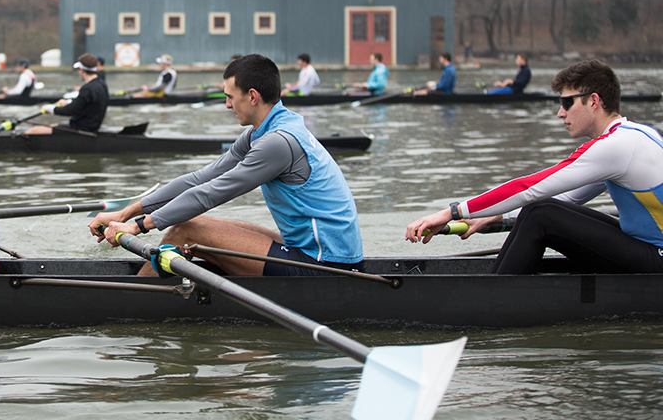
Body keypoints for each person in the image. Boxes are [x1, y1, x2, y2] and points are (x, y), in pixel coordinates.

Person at [90, 54, 363, 277]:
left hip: (329, 266)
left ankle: (138, 305)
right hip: (308, 249)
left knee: (186, 230)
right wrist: (125, 213)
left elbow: (210, 194)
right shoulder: (264, 130)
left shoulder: (277, 143)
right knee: (188, 221)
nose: (227, 105)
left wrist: (137, 227)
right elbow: (199, 180)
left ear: (252, 96)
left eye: (230, 97)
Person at [406, 60, 663, 275]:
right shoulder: (636, 135)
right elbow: (567, 198)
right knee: (539, 209)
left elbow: (529, 188)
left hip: (656, 257)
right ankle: (499, 284)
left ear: (593, 101)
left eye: (567, 103)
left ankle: (494, 300)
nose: (560, 113)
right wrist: (494, 218)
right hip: (647, 248)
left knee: (540, 214)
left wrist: (451, 212)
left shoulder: (615, 146)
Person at [27, 53, 107, 134]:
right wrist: (68, 102)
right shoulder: (101, 85)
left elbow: (71, 110)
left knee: (33, 131)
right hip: (89, 128)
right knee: (51, 126)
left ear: (81, 70)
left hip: (80, 131)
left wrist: (51, 109)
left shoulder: (88, 89)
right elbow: (86, 105)